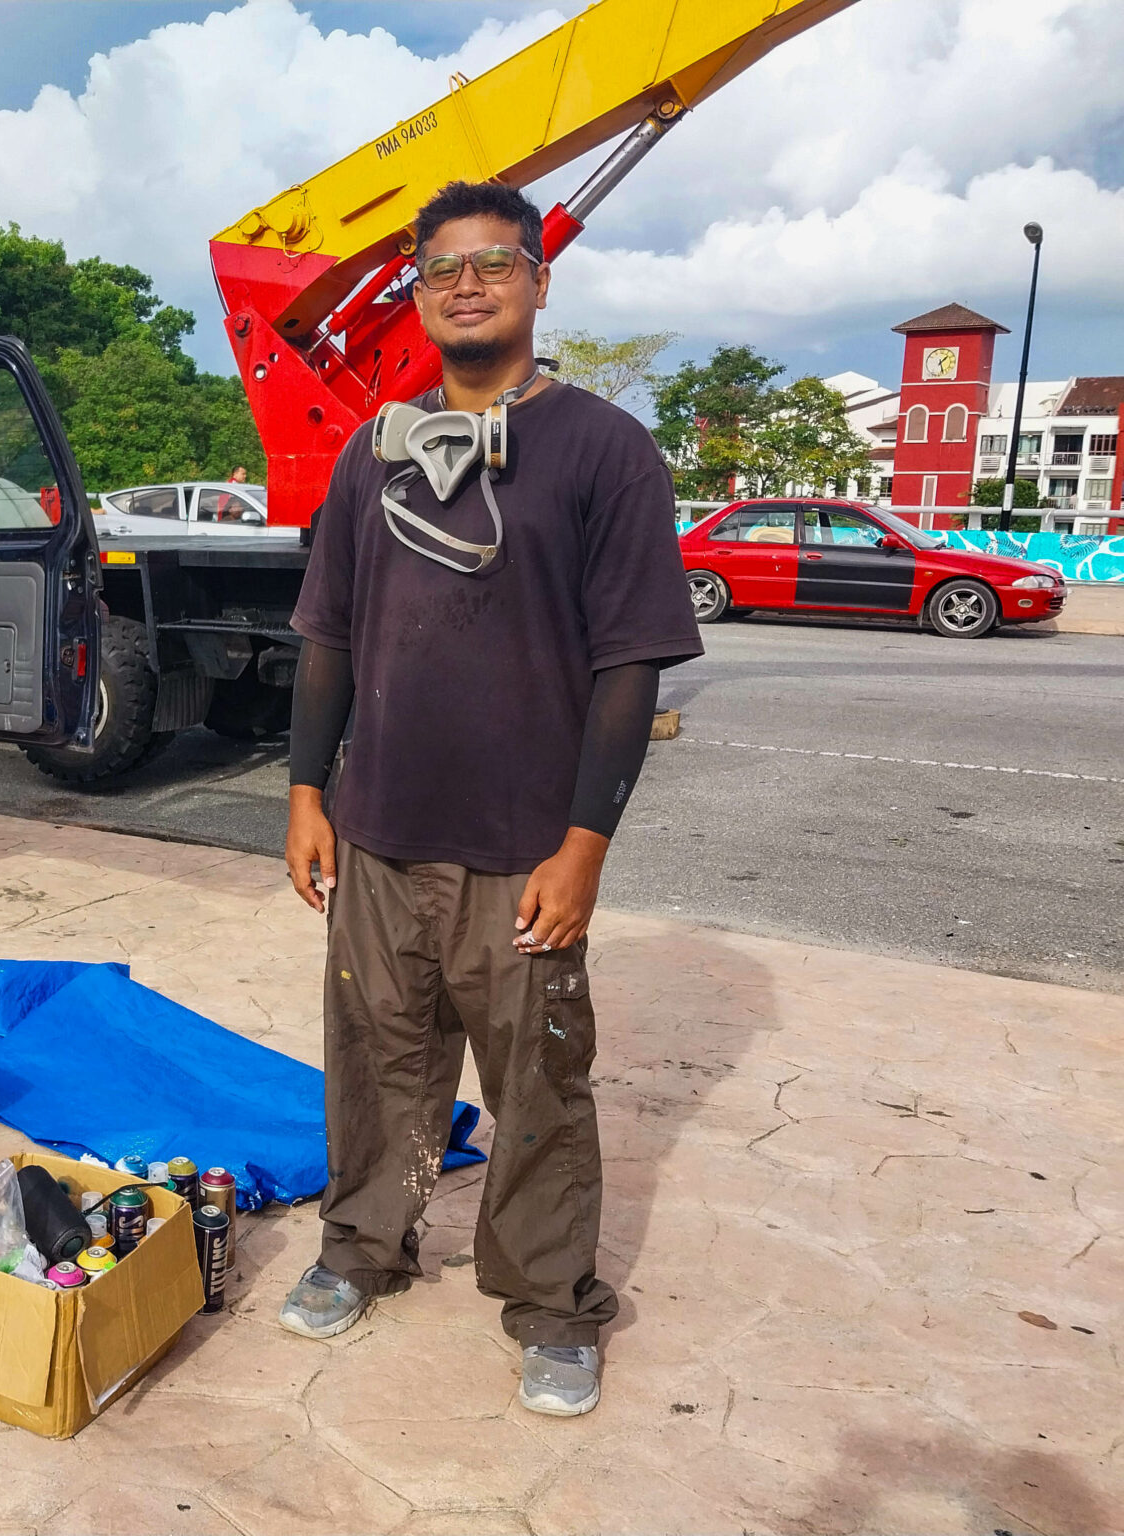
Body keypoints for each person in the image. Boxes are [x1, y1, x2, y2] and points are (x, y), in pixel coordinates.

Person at [275, 180, 702, 1419]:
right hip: (378, 835)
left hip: (522, 850)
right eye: (441, 270)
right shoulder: (374, 450)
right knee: (373, 1066)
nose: (465, 284)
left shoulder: (603, 452)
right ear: (416, 292)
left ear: (536, 281)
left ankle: (551, 1300)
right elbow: (328, 636)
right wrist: (308, 793)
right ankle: (361, 1247)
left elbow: (628, 663)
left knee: (538, 1086)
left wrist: (584, 846)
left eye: (492, 264)